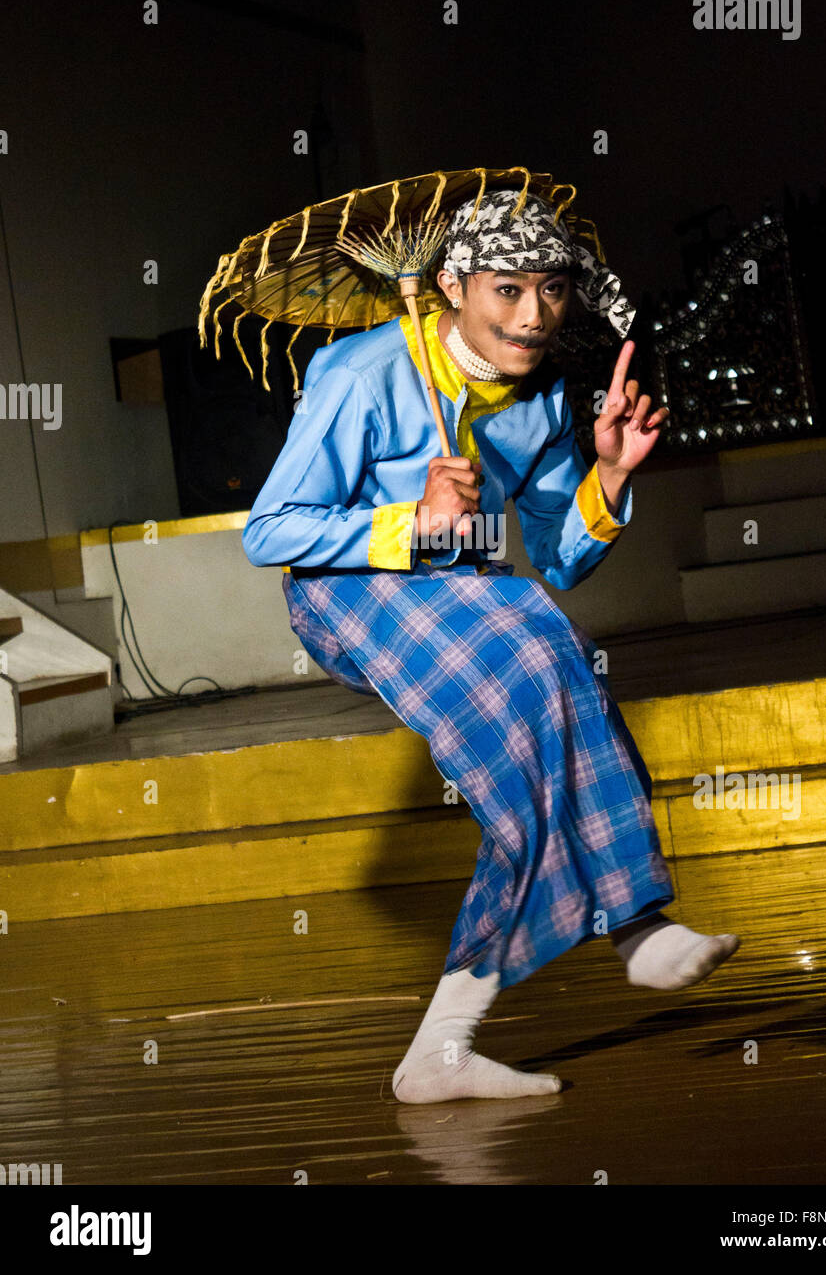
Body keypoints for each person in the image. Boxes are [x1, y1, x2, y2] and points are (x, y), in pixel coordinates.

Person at [243, 186, 740, 1104]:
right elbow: (269, 530)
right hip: (349, 593)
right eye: (506, 289)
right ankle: (633, 924)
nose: (532, 315)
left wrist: (608, 473)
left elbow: (558, 553)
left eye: (551, 291)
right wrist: (410, 520)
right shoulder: (361, 373)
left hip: (465, 598)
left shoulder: (545, 393)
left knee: (545, 675)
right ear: (450, 285)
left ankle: (442, 1049)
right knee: (528, 633)